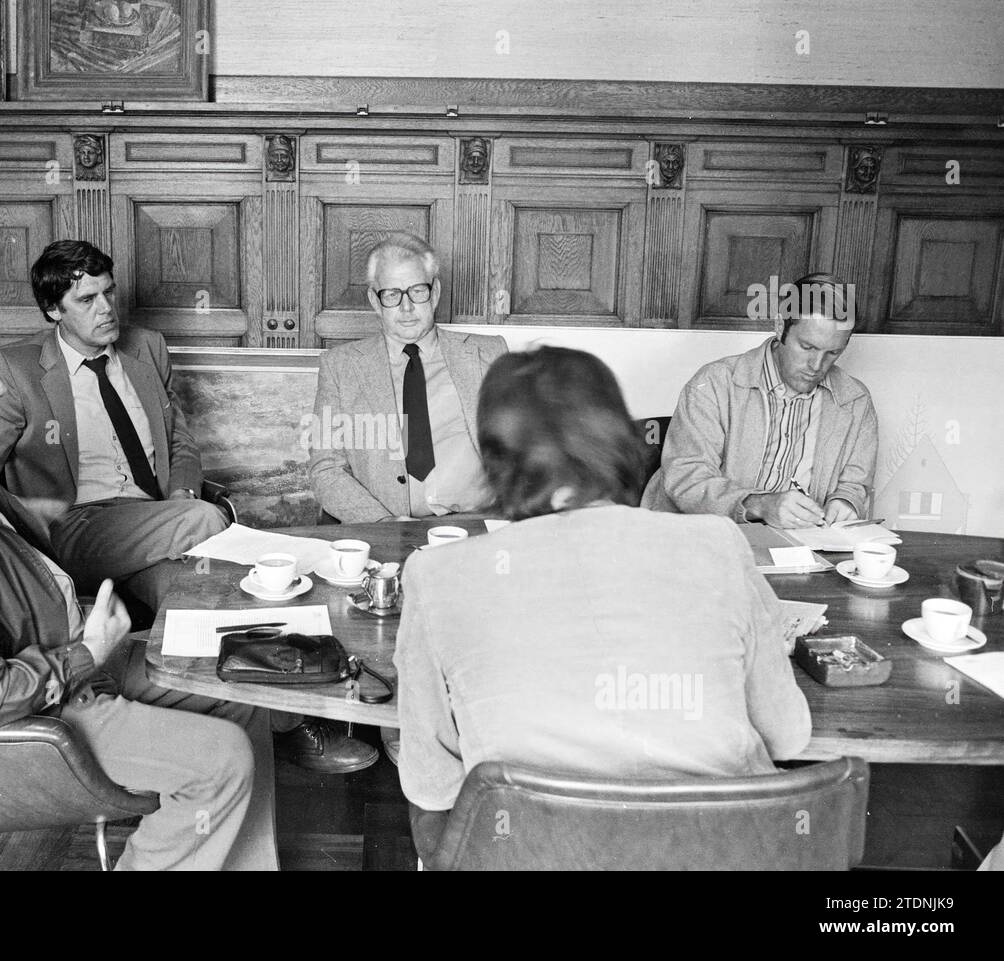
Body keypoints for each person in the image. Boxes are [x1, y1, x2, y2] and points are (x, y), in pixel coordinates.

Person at [0, 298, 277, 871]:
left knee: (241, 687)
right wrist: (87, 652)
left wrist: (24, 519)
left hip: (52, 660)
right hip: (38, 716)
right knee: (224, 759)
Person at [394, 346, 812, 859]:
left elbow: (431, 785)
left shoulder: (435, 576)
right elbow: (789, 736)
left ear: (495, 457)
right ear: (621, 437)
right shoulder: (720, 544)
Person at [0, 240, 227, 615]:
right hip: (74, 527)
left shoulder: (148, 347)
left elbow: (177, 439)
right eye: (87, 300)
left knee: (189, 596)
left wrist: (183, 493)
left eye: (108, 292)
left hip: (155, 519)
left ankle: (162, 672)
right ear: (53, 309)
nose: (106, 309)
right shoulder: (16, 368)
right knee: (206, 516)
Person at [642, 273, 878, 529]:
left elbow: (855, 484)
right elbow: (687, 478)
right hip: (708, 537)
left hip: (801, 548)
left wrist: (846, 502)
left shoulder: (855, 401)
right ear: (780, 327)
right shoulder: (714, 383)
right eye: (807, 347)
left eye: (833, 352)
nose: (817, 366)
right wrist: (760, 505)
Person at [308, 232, 507, 524]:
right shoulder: (340, 366)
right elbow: (326, 469)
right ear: (375, 302)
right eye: (392, 295)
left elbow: (525, 452)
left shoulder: (487, 354)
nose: (406, 307)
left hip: (475, 525)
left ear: (435, 292)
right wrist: (383, 525)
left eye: (417, 291)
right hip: (385, 527)